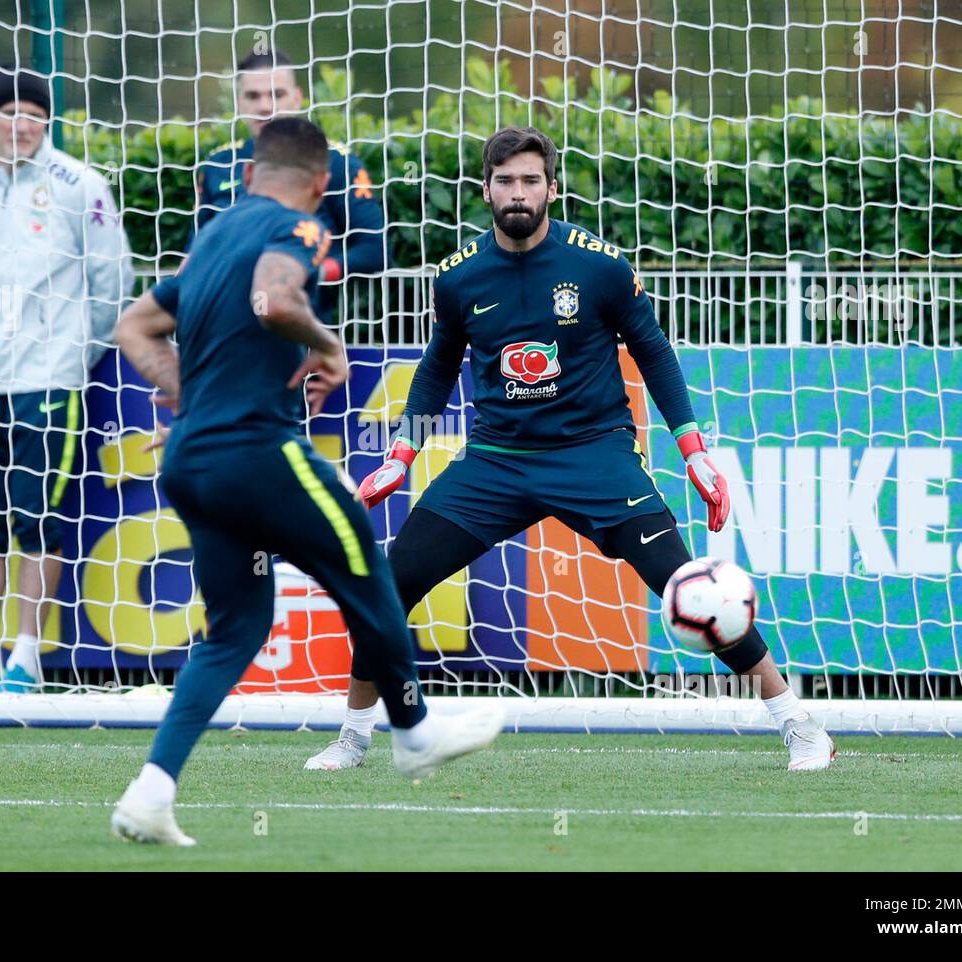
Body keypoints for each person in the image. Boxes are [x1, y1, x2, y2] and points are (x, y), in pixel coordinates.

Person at [304, 126, 836, 773]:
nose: (518, 193)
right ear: (486, 189)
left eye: (531, 180)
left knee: (691, 588)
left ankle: (799, 724)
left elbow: (654, 350)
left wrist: (693, 451)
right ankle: (354, 737)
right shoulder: (457, 279)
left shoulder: (599, 266)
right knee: (391, 583)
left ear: (552, 187)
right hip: (496, 461)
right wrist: (402, 454)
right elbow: (438, 366)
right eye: (506, 181)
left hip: (595, 455)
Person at [109, 117, 503, 846]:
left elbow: (134, 326)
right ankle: (413, 729)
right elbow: (275, 300)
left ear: (250, 171)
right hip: (257, 450)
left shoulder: (214, 234)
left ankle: (149, 794)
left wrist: (188, 397)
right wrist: (331, 346)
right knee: (364, 554)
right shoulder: (301, 228)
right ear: (322, 185)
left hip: (190, 459)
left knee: (235, 631)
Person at [0, 69, 133, 693]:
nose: (20, 124)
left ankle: (25, 657)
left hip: (48, 377)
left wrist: (75, 354)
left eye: (32, 113)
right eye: (8, 113)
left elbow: (112, 282)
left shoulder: (81, 185)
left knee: (37, 515)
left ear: (47, 121)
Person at [193, 49, 385, 320]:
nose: (264, 106)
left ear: (297, 98)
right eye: (253, 96)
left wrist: (315, 273)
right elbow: (197, 248)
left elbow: (374, 250)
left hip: (304, 326)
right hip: (224, 325)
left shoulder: (337, 162)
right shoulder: (218, 164)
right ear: (239, 103)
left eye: (276, 94)